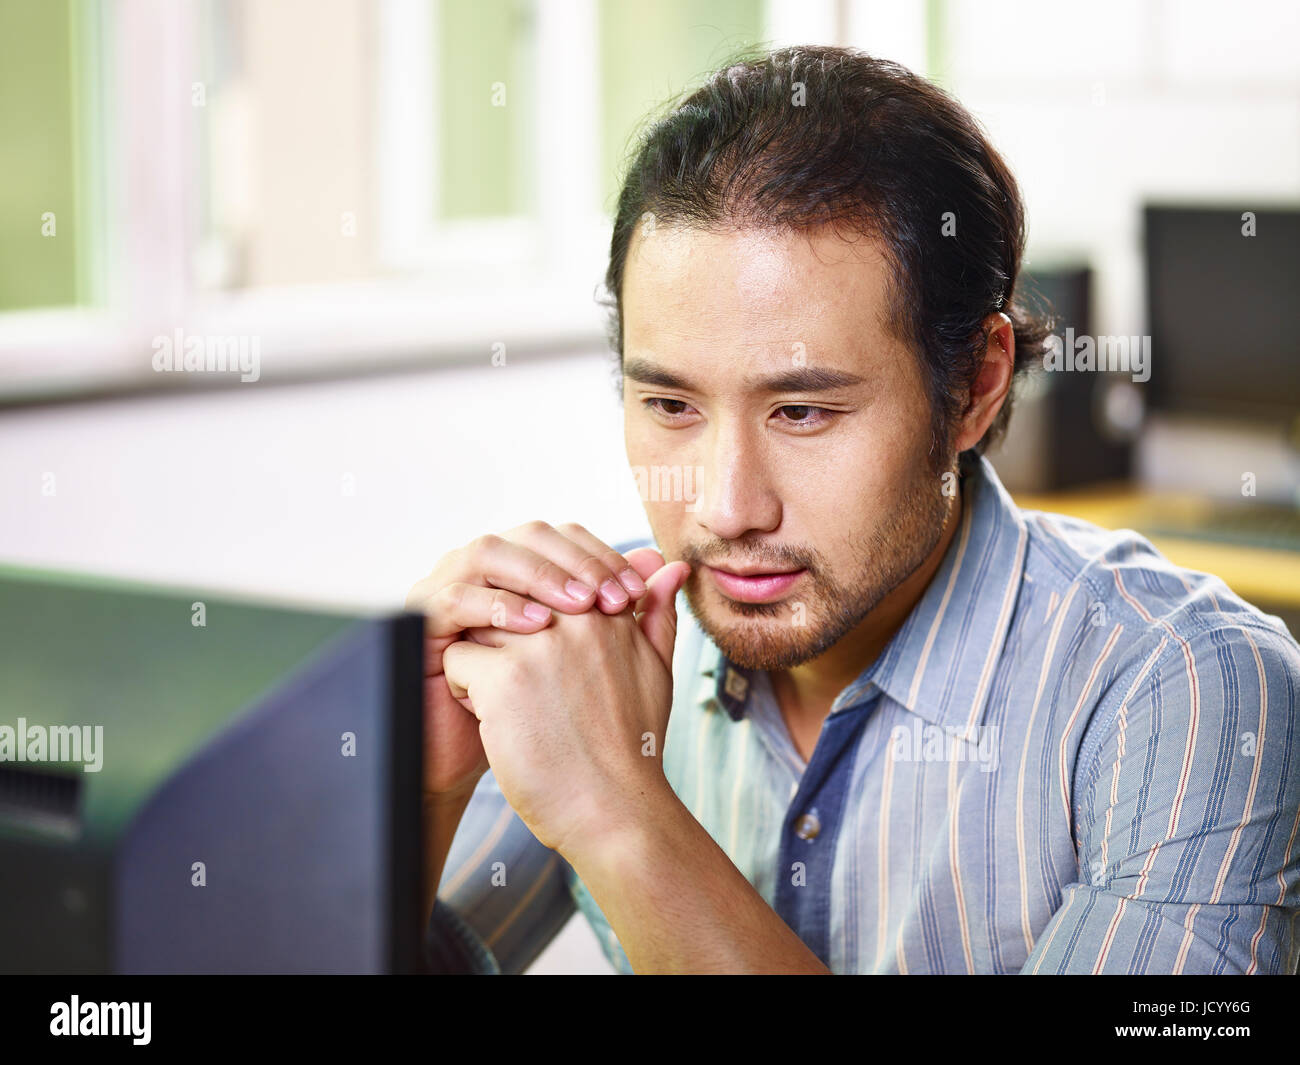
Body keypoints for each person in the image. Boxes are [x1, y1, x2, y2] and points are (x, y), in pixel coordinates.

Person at [405, 45, 1300, 974]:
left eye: (803, 412)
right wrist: (419, 790)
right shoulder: (595, 642)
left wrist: (621, 817)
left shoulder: (1191, 691)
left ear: (974, 386)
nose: (725, 507)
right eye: (671, 406)